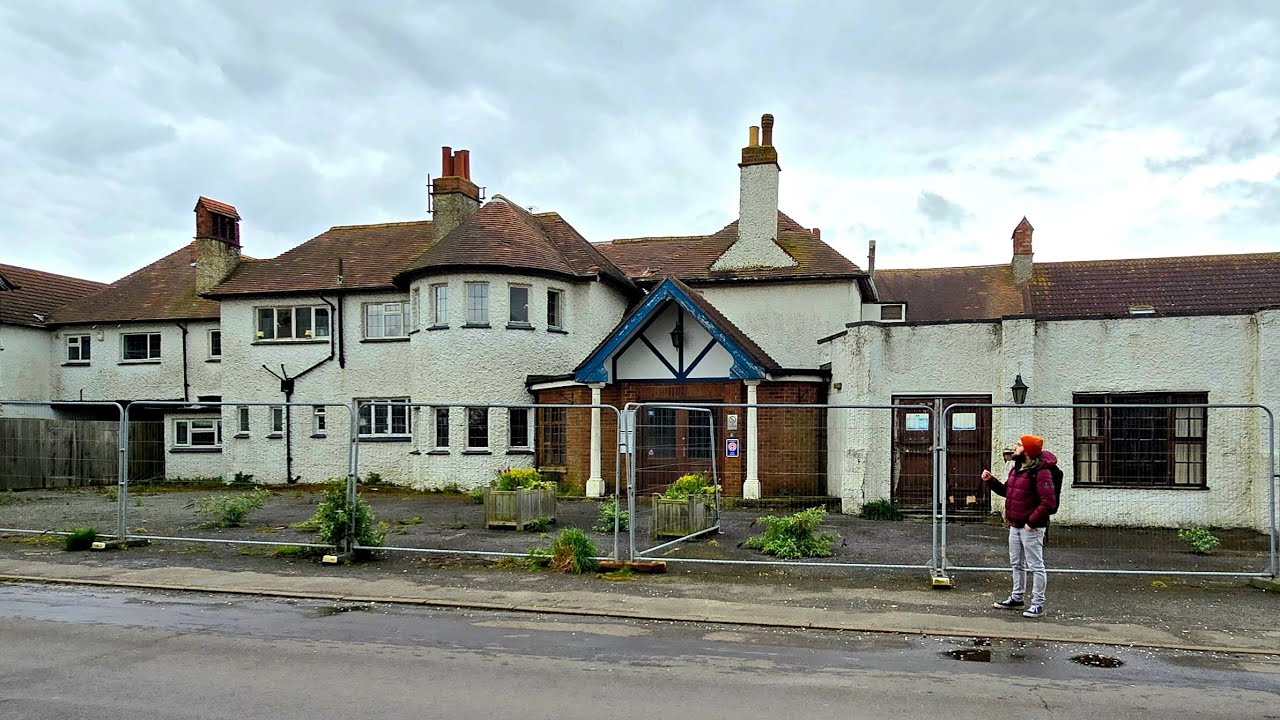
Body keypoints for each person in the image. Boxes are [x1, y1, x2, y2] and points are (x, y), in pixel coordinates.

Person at [981, 435, 1058, 619]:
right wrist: (991, 481)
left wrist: (1031, 522)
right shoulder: (1017, 469)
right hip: (1014, 525)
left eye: (1019, 445)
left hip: (1030, 528)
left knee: (1035, 566)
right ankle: (1017, 597)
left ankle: (1037, 604)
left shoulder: (1041, 473)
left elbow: (1049, 502)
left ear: (1028, 451)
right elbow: (1009, 492)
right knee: (1017, 563)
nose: (1015, 448)